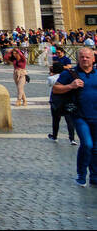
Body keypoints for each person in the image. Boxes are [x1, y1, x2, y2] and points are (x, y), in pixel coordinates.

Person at [52, 46, 97, 185]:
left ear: (93, 59)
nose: (84, 59)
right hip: (79, 115)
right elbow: (55, 88)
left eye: (87, 57)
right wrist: (70, 86)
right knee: (87, 144)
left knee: (95, 147)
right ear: (77, 59)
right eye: (82, 57)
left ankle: (94, 176)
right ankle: (81, 174)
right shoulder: (70, 74)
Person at [48, 50, 78, 144]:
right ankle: (72, 139)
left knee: (56, 120)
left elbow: (50, 85)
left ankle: (55, 136)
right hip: (68, 99)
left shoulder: (51, 78)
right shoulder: (67, 76)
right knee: (69, 120)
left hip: (56, 100)